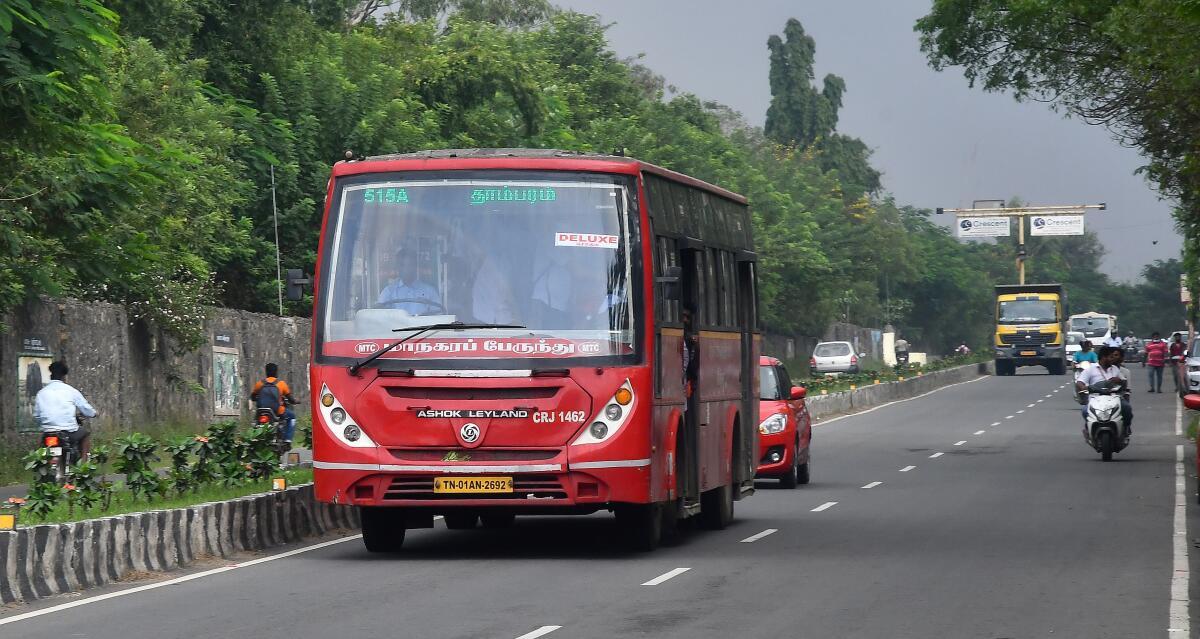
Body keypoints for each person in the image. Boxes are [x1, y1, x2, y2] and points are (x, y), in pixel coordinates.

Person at [34, 361, 97, 458]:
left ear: (51, 375)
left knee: (41, 448)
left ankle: (41, 465)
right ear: (64, 377)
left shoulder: (41, 393)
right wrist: (94, 413)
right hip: (68, 431)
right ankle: (83, 468)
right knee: (85, 435)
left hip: (48, 432)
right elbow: (86, 408)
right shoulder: (71, 390)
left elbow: (37, 416)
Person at [1076, 346, 1132, 430]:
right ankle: (1088, 429)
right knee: (1085, 411)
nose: (1113, 359)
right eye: (1111, 357)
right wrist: (1084, 388)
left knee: (1127, 408)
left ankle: (1125, 428)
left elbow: (1124, 382)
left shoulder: (1115, 369)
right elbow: (1079, 382)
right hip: (1095, 398)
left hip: (1114, 397)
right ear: (1103, 357)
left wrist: (1119, 381)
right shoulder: (1091, 369)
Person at [377, 250, 440, 315]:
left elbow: (438, 317)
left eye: (410, 265)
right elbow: (380, 316)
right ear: (397, 268)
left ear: (415, 266)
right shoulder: (388, 292)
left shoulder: (429, 291)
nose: (406, 269)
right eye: (402, 265)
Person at [250, 363, 297, 445]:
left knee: (255, 423)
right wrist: (296, 401)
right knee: (292, 417)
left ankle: (254, 440)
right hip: (277, 411)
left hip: (261, 412)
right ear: (276, 372)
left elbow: (253, 397)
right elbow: (291, 399)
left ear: (266, 372)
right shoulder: (281, 384)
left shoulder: (259, 384)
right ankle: (287, 440)